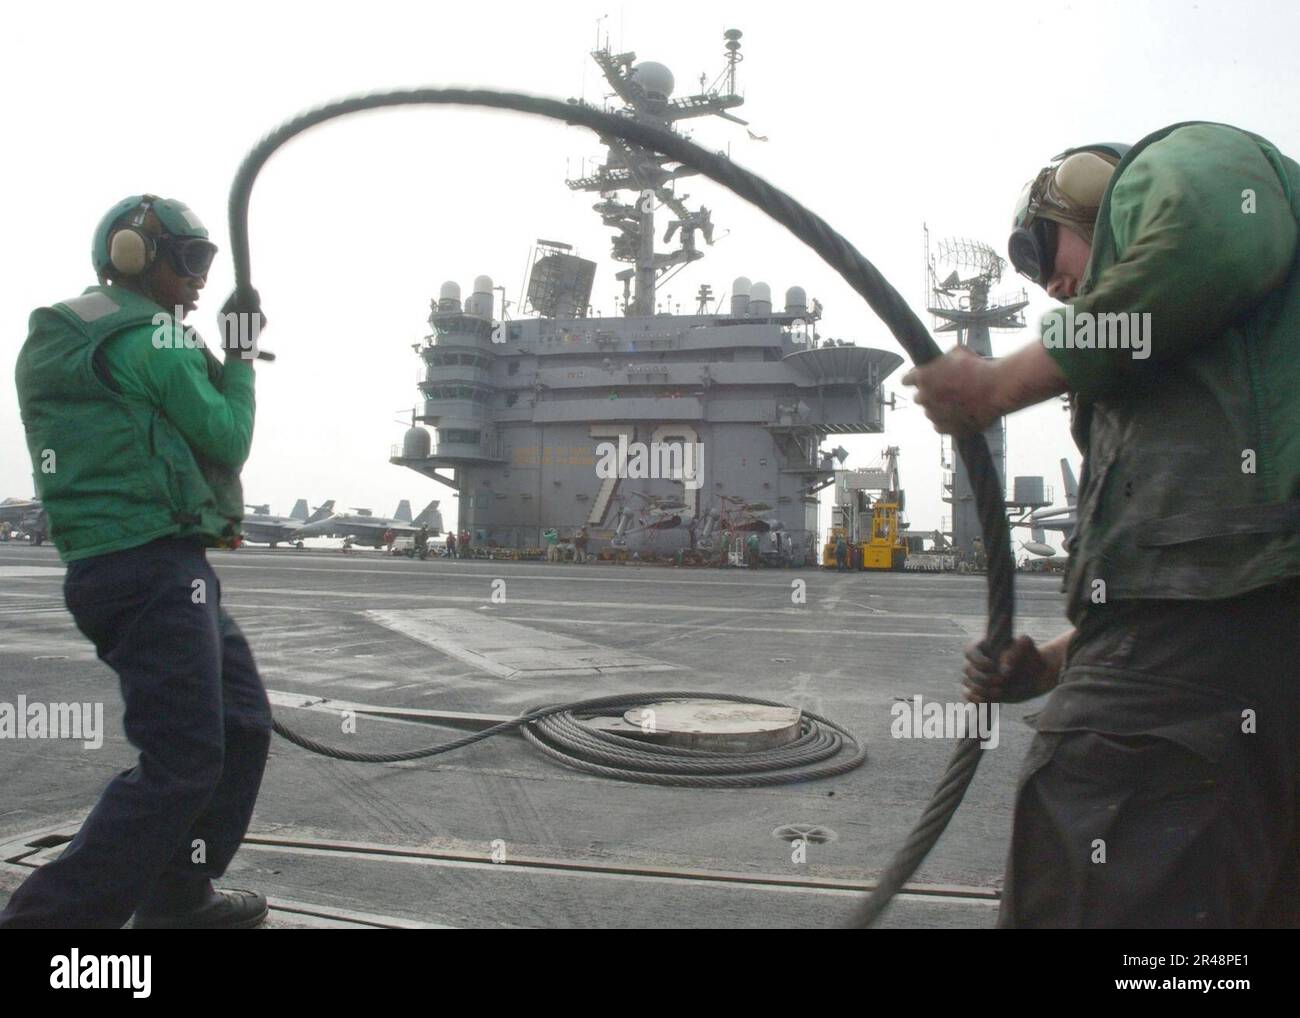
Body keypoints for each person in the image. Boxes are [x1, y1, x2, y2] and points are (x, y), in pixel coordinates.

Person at [905, 124, 1300, 928]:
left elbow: (1210, 238)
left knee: (1092, 869)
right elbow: (1213, 562)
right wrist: (1052, 663)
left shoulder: (1184, 164)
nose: (1049, 286)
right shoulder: (1189, 364)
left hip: (1192, 672)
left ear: (1093, 192)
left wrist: (1002, 383)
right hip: (1240, 646)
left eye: (1045, 253)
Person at [2, 194, 271, 929]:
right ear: (133, 254)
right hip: (149, 570)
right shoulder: (154, 339)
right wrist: (241, 355)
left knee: (242, 723)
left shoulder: (81, 334)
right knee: (182, 761)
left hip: (142, 567)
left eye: (206, 262)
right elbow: (226, 437)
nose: (199, 278)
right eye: (188, 261)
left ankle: (179, 894)